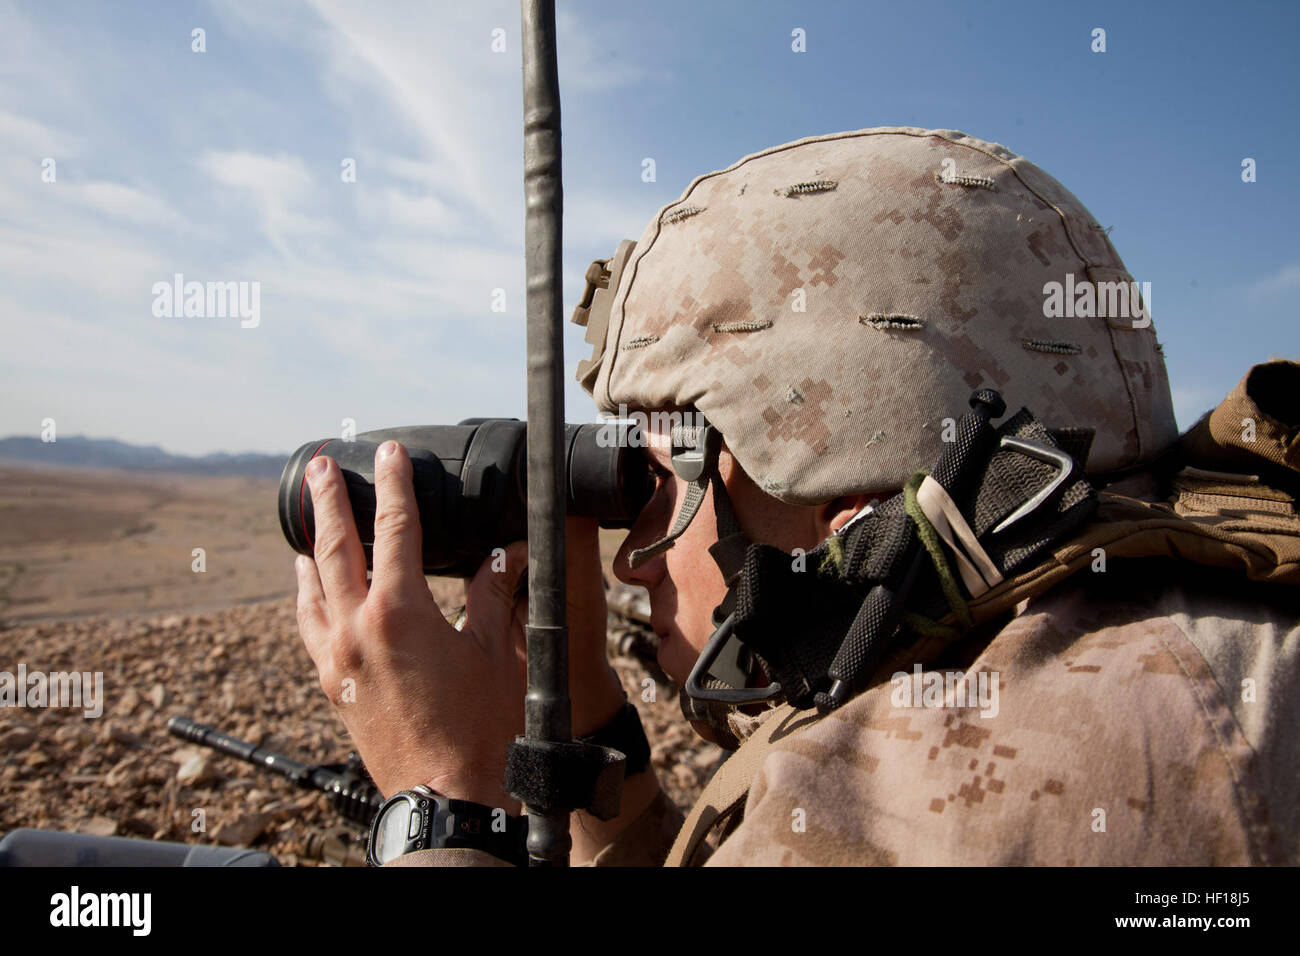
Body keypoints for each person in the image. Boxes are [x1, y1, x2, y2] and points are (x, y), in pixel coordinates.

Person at [294, 127, 1300, 866]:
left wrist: (442, 800)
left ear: (831, 484)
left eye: (663, 482)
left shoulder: (1019, 758)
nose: (634, 557)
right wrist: (577, 733)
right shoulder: (1117, 617)